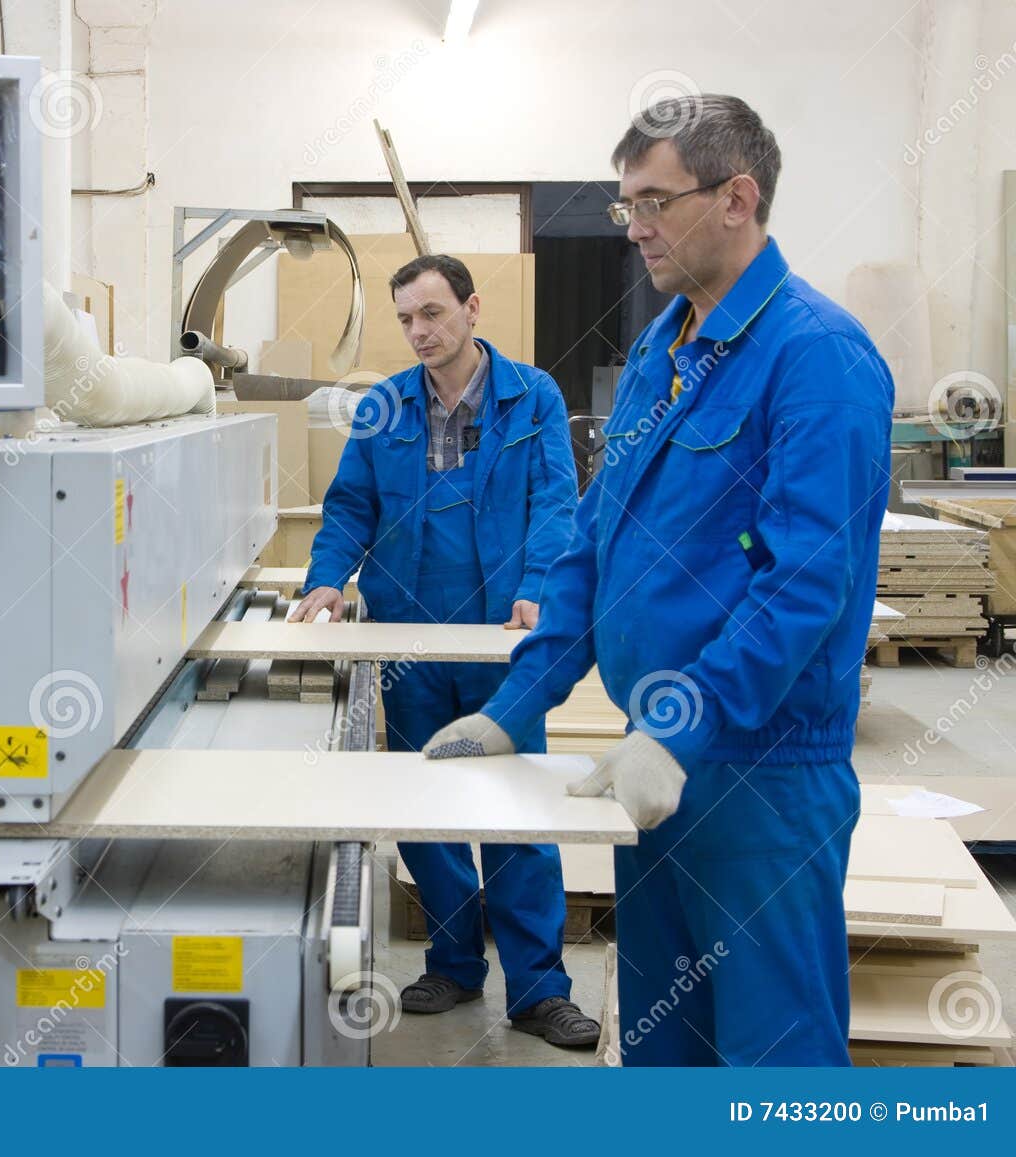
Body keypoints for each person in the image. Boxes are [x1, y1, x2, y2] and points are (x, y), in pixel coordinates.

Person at [424, 95, 894, 1066]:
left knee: (773, 1058)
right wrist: (517, 703)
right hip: (650, 774)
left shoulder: (817, 356)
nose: (633, 225)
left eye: (653, 200)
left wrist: (676, 727)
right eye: (623, 203)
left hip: (758, 775)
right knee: (660, 1044)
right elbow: (594, 544)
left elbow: (804, 584)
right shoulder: (660, 352)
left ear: (737, 198)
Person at [293, 254, 598, 1046]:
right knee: (427, 811)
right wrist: (328, 579)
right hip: (409, 634)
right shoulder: (385, 408)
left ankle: (538, 988)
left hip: (498, 637)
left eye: (432, 313)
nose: (419, 332)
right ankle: (455, 964)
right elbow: (351, 506)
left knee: (514, 808)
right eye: (406, 319)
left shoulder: (532, 396)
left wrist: (538, 585)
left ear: (471, 308)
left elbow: (554, 502)